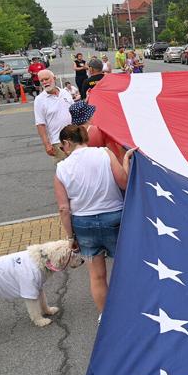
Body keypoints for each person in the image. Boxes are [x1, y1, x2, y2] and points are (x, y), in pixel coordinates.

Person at [54, 124, 135, 321]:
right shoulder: (104, 154)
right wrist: (125, 160)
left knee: (97, 276)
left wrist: (70, 237)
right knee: (126, 269)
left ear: (67, 143)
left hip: (83, 224)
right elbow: (124, 182)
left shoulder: (61, 168)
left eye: (61, 146)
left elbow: (64, 209)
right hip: (114, 218)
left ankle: (107, 318)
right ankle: (135, 312)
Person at [34, 69, 75, 162]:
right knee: (64, 172)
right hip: (58, 142)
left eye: (46, 79)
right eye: (42, 81)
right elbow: (40, 124)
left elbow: (75, 111)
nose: (45, 82)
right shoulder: (39, 100)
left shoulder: (65, 93)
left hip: (74, 138)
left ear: (54, 78)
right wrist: (47, 144)